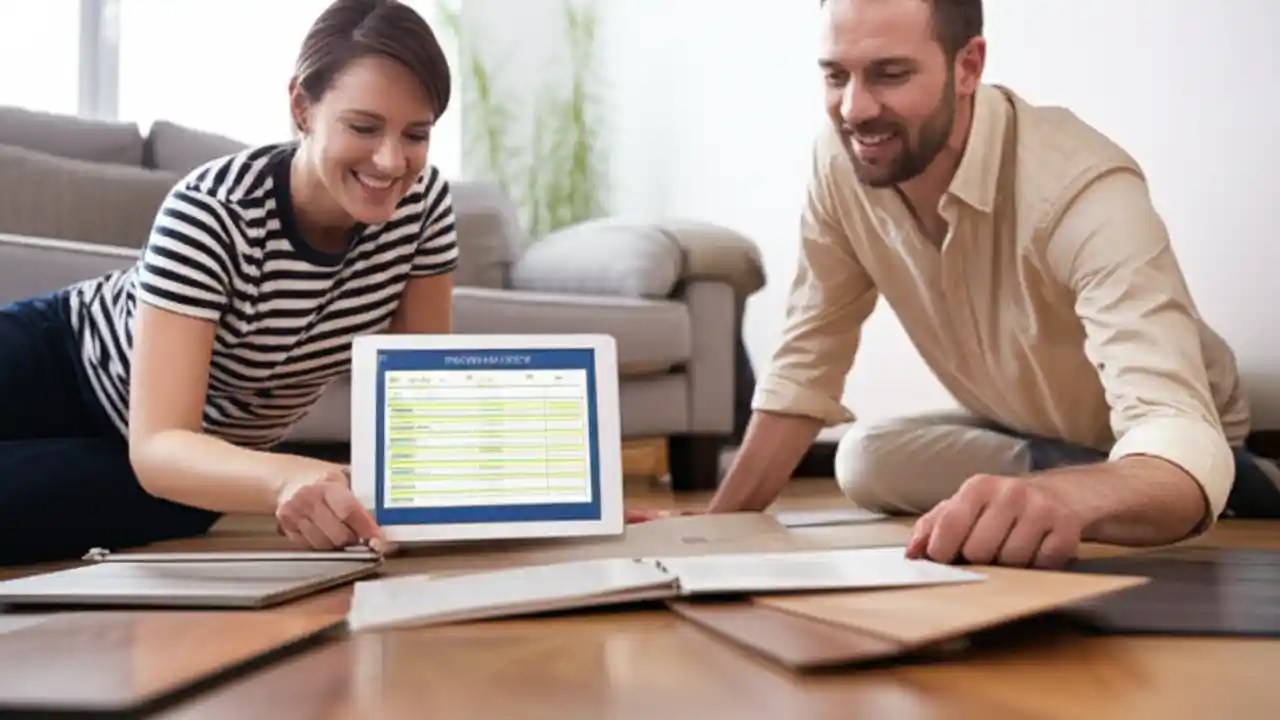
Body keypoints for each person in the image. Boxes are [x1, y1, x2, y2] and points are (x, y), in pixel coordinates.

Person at [700, 0, 1280, 568]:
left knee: (1191, 461)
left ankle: (1243, 483)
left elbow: (1172, 422)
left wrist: (1065, 499)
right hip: (1027, 428)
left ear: (968, 66)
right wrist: (709, 537)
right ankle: (1069, 474)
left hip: (1166, 432)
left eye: (890, 74)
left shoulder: (1084, 190)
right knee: (862, 459)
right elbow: (806, 365)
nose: (854, 109)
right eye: (835, 76)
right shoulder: (842, 165)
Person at [0, 0, 457, 565]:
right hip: (64, 359)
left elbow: (421, 407)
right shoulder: (214, 210)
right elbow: (158, 439)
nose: (392, 162)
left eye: (416, 134)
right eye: (363, 127)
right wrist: (296, 473)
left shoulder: (425, 208)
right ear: (302, 107)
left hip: (184, 464)